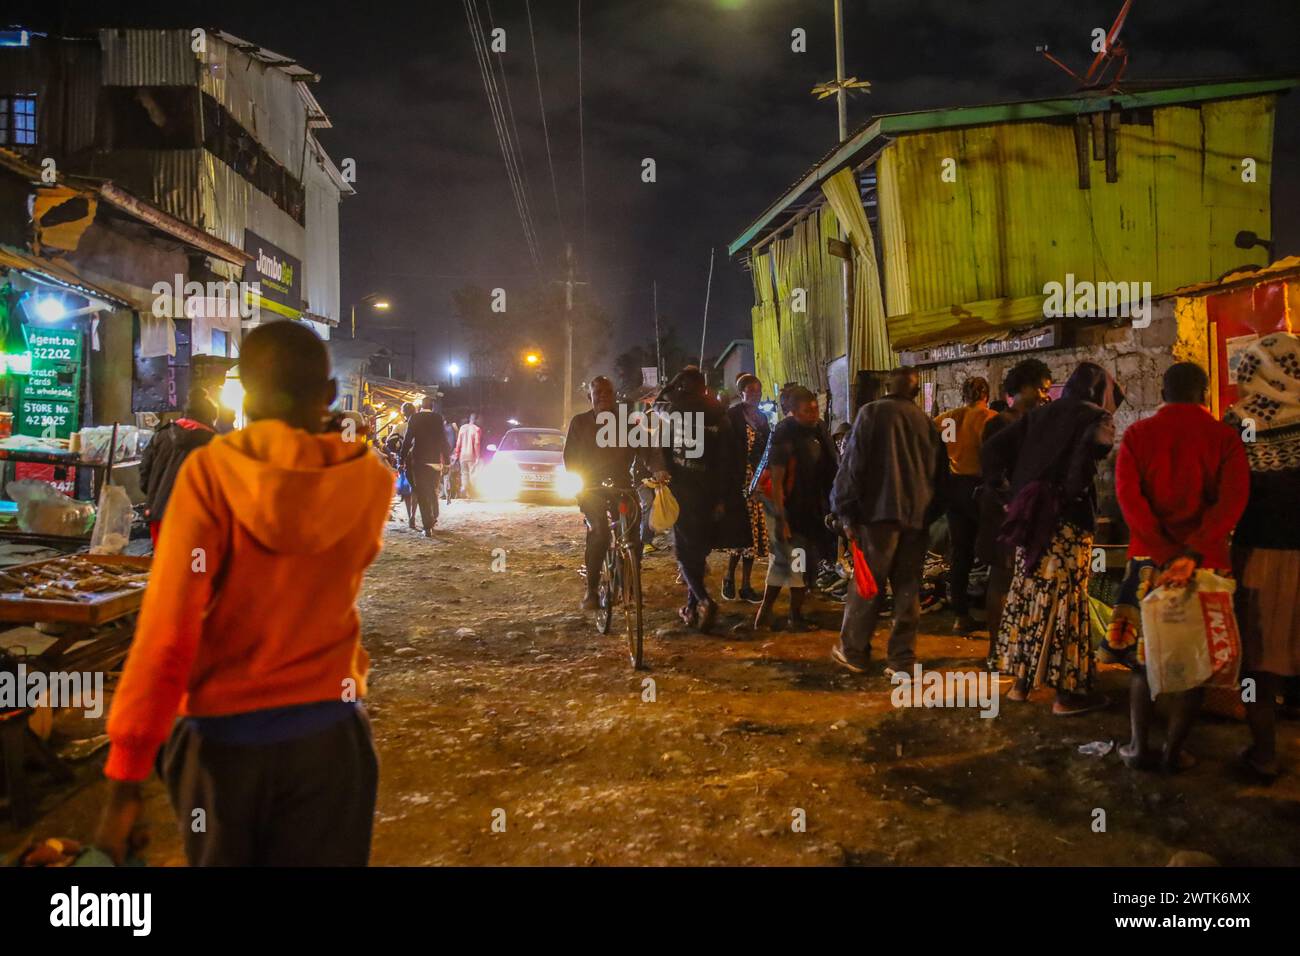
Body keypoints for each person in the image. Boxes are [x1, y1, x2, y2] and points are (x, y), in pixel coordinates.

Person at [95, 321, 392, 866]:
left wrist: (126, 776)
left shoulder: (211, 473)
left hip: (223, 746)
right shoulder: (368, 479)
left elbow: (168, 630)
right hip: (332, 739)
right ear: (328, 395)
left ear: (243, 394)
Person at [1109, 362, 1249, 771]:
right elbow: (1231, 502)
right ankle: (1172, 751)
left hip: (1149, 564)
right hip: (1207, 567)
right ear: (1204, 393)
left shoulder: (1137, 435)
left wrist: (1165, 552)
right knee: (1195, 658)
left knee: (1143, 657)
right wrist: (1192, 552)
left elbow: (1128, 500)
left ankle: (1138, 747)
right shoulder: (1224, 437)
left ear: (1163, 392)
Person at [983, 361, 1123, 715]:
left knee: (1029, 591)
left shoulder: (1040, 415)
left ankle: (1020, 684)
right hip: (1068, 524)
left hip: (1031, 520)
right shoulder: (1095, 417)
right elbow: (1095, 452)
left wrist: (1009, 494)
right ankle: (1068, 693)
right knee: (1065, 599)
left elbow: (991, 451)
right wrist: (1066, 492)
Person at [831, 367, 948, 675]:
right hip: (916, 517)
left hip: (878, 517)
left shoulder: (871, 413)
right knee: (908, 588)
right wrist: (927, 511)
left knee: (869, 584)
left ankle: (854, 651)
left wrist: (843, 509)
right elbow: (941, 475)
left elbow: (853, 466)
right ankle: (902, 659)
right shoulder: (926, 422)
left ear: (888, 386)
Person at [1229, 333, 1300, 780]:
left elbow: (1225, 494)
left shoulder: (1237, 424)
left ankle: (1265, 753)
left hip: (1261, 556)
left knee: (1258, 660)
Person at [564, 377, 664, 610]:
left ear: (614, 394)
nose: (602, 395)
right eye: (597, 392)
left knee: (633, 533)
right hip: (590, 488)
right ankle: (591, 589)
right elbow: (570, 458)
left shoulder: (628, 422)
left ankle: (630, 582)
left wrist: (658, 469)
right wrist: (577, 480)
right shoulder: (580, 423)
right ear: (590, 397)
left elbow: (648, 450)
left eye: (606, 391)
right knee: (598, 531)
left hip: (622, 486)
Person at [655, 367, 742, 633]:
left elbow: (659, 403)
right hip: (712, 492)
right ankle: (691, 608)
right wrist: (723, 498)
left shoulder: (674, 411)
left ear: (681, 386)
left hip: (682, 490)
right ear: (704, 387)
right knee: (699, 549)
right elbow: (728, 460)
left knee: (684, 552)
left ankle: (704, 600)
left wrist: (670, 386)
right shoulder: (719, 414)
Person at [977, 359, 1052, 662]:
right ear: (1021, 389)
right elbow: (992, 472)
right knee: (1002, 578)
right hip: (1004, 513)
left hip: (1032, 512)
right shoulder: (1001, 423)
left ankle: (1020, 645)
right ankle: (996, 649)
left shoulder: (1041, 423)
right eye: (1040, 389)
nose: (1045, 395)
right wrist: (1011, 501)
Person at [753, 384, 837, 630]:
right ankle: (791, 616)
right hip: (787, 508)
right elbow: (777, 481)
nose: (813, 414)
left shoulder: (819, 429)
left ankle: (769, 615)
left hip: (812, 507)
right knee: (792, 561)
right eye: (806, 411)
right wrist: (782, 518)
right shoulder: (785, 433)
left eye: (815, 409)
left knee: (794, 561)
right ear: (792, 411)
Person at [934, 376, 998, 634]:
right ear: (986, 393)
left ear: (964, 393)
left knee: (961, 554)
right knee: (995, 554)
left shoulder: (948, 418)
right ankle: (995, 614)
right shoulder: (990, 419)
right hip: (982, 490)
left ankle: (960, 615)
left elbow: (931, 438)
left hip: (954, 488)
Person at [139, 390, 218, 548]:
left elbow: (144, 475)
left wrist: (156, 497)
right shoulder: (215, 444)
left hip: (159, 514)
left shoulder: (160, 436)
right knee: (196, 567)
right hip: (196, 520)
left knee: (163, 565)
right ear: (210, 418)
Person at [723, 373, 770, 603]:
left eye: (758, 391)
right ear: (741, 393)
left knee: (753, 538)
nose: (755, 395)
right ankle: (729, 577)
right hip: (737, 482)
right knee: (738, 535)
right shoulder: (732, 416)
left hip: (756, 483)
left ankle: (746, 585)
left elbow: (767, 450)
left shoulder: (762, 419)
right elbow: (725, 450)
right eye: (751, 391)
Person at [401, 395, 451, 535]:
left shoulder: (415, 418)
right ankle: (434, 516)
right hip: (435, 460)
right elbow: (443, 440)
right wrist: (447, 460)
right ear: (432, 406)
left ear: (420, 406)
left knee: (422, 493)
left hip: (419, 461)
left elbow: (408, 439)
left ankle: (427, 527)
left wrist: (402, 457)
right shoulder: (438, 418)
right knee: (433, 490)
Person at [393, 402, 417, 527]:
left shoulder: (399, 427)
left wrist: (397, 451)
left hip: (404, 461)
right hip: (418, 460)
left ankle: (409, 517)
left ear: (403, 413)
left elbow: (389, 442)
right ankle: (413, 514)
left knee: (407, 490)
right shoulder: (420, 426)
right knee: (416, 488)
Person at [453, 413, 483, 498]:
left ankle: (465, 490)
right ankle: (473, 493)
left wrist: (457, 454)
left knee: (464, 474)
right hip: (472, 455)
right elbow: (477, 443)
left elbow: (458, 443)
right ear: (476, 420)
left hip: (462, 456)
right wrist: (477, 457)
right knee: (473, 474)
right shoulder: (477, 429)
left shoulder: (462, 428)